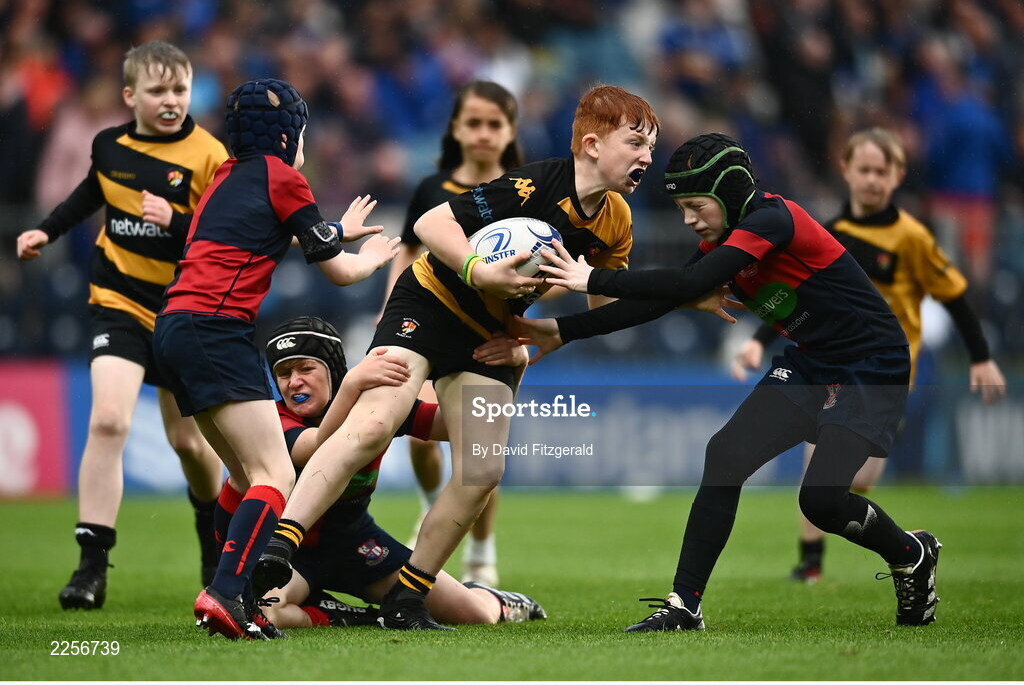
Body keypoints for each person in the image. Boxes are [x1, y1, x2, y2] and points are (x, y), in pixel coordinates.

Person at [254, 85, 662, 631]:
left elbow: (604, 307)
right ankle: (280, 546)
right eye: (635, 142)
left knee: (484, 470)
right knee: (375, 424)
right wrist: (479, 269)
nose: (647, 157)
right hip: (428, 303)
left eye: (650, 147)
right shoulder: (531, 183)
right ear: (591, 144)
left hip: (489, 336)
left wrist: (551, 330)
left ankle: (406, 598)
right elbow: (428, 225)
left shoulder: (617, 221)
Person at [520, 132, 949, 630]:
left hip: (871, 364)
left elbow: (685, 285)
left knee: (822, 501)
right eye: (680, 207)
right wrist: (562, 331)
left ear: (729, 190)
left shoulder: (772, 218)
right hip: (813, 362)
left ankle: (911, 553)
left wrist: (590, 277)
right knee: (725, 455)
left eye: (696, 205)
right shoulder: (720, 243)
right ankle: (685, 607)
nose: (688, 219)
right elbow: (657, 302)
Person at [152, 78, 399, 641]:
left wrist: (334, 230)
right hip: (217, 328)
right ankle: (227, 595)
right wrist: (371, 257)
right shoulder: (285, 176)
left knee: (241, 475)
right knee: (275, 475)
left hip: (172, 330)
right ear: (291, 134)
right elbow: (336, 270)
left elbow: (252, 236)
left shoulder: (222, 178)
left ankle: (227, 587)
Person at [730, 128, 1007, 583]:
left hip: (882, 373)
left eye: (882, 171)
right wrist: (759, 340)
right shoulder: (825, 233)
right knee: (816, 463)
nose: (872, 180)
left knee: (853, 483)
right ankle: (811, 564)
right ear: (846, 171)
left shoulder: (911, 238)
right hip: (829, 362)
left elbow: (954, 295)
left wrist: (980, 356)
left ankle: (909, 541)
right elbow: (794, 296)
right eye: (864, 170)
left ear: (897, 175)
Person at [16, 41, 229, 610]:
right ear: (130, 96)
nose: (170, 101)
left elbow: (226, 242)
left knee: (189, 443)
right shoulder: (109, 146)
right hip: (119, 300)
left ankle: (213, 552)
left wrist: (178, 218)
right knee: (108, 421)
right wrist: (47, 230)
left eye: (179, 89)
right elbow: (94, 192)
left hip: (184, 310)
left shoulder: (210, 155)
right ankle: (90, 568)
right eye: (158, 91)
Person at [250, 316, 545, 630]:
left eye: (306, 369)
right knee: (270, 613)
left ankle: (497, 599)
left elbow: (469, 424)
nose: (294, 381)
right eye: (283, 373)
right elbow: (318, 446)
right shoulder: (271, 419)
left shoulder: (375, 405)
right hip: (292, 553)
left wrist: (513, 368)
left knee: (475, 615)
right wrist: (351, 384)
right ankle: (372, 618)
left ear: (332, 368)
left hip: (358, 543)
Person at [382, 80, 526, 586]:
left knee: (478, 454)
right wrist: (389, 314)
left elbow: (550, 268)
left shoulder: (524, 192)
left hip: (492, 335)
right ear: (456, 129)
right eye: (474, 123)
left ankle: (481, 555)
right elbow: (407, 252)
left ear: (510, 132)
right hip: (426, 327)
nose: (484, 134)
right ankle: (429, 509)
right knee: (420, 438)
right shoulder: (431, 190)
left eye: (494, 124)